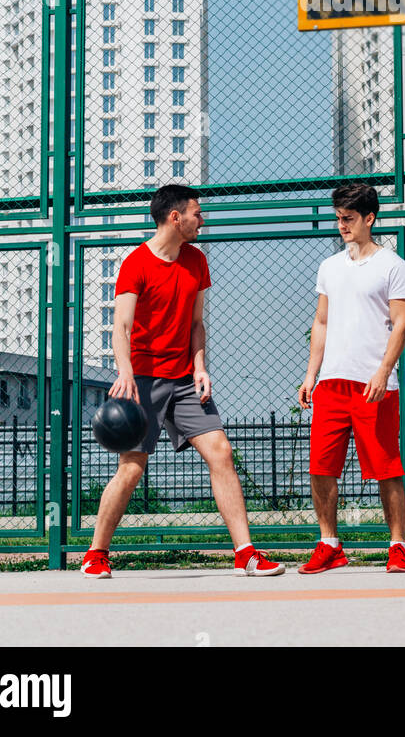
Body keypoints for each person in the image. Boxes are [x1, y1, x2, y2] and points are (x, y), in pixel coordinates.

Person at [81, 184, 285, 579]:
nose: (201, 219)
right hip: (142, 379)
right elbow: (120, 327)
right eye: (197, 213)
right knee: (132, 468)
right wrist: (124, 372)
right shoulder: (136, 263)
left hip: (185, 379)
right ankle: (96, 554)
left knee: (221, 452)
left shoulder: (196, 261)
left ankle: (246, 554)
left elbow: (196, 324)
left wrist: (200, 367)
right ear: (175, 217)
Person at [297, 181, 405, 575]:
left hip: (373, 385)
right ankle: (329, 544)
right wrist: (311, 374)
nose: (342, 225)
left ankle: (398, 546)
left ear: (370, 218)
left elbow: (400, 325)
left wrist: (384, 371)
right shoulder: (329, 267)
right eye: (338, 218)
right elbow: (321, 321)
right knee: (321, 466)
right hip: (331, 382)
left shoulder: (393, 266)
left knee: (387, 467)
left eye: (349, 218)